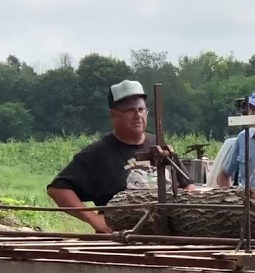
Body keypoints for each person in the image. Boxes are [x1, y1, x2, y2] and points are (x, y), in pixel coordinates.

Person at [47, 78, 194, 233]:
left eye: (141, 109)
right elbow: (58, 189)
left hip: (167, 238)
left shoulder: (160, 145)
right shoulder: (98, 153)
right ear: (113, 114)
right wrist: (94, 219)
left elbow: (187, 184)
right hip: (121, 243)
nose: (137, 115)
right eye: (129, 110)